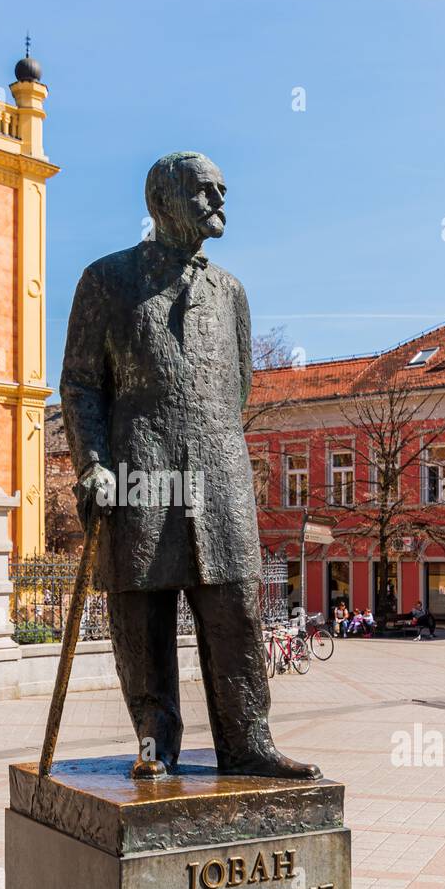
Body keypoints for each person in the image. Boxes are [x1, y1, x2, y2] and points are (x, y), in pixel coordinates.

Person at [61, 151, 320, 782]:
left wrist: (209, 442)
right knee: (141, 610)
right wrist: (94, 462)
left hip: (220, 471)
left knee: (236, 607)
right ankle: (156, 743)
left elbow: (237, 386)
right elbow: (80, 385)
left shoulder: (229, 292)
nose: (219, 203)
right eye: (206, 192)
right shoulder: (107, 280)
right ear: (164, 200)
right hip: (138, 470)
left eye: (222, 191)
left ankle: (248, 741)